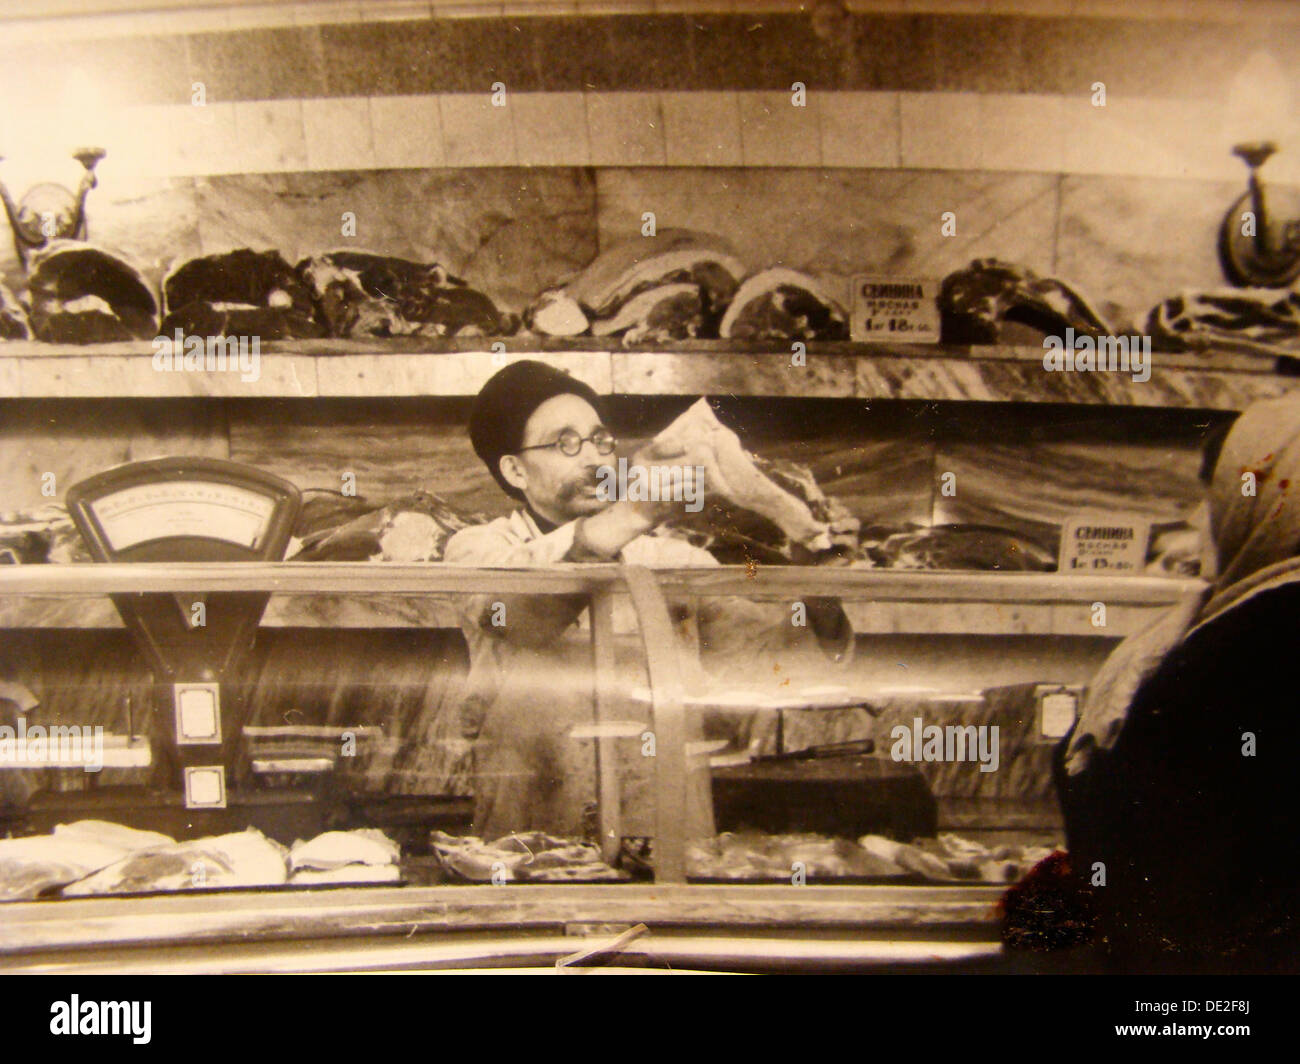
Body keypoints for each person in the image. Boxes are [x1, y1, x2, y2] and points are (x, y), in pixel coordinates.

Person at [443, 360, 853, 841]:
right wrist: (632, 513)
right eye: (565, 444)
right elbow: (522, 618)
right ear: (515, 469)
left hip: (663, 829)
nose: (595, 459)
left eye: (600, 441)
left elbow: (775, 669)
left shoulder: (674, 560)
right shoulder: (479, 549)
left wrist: (819, 585)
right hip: (535, 828)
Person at [1054, 392, 1300, 972]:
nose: (1197, 519)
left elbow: (1166, 883)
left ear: (1269, 501)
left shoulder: (1245, 646)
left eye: (1212, 494)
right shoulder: (1239, 624)